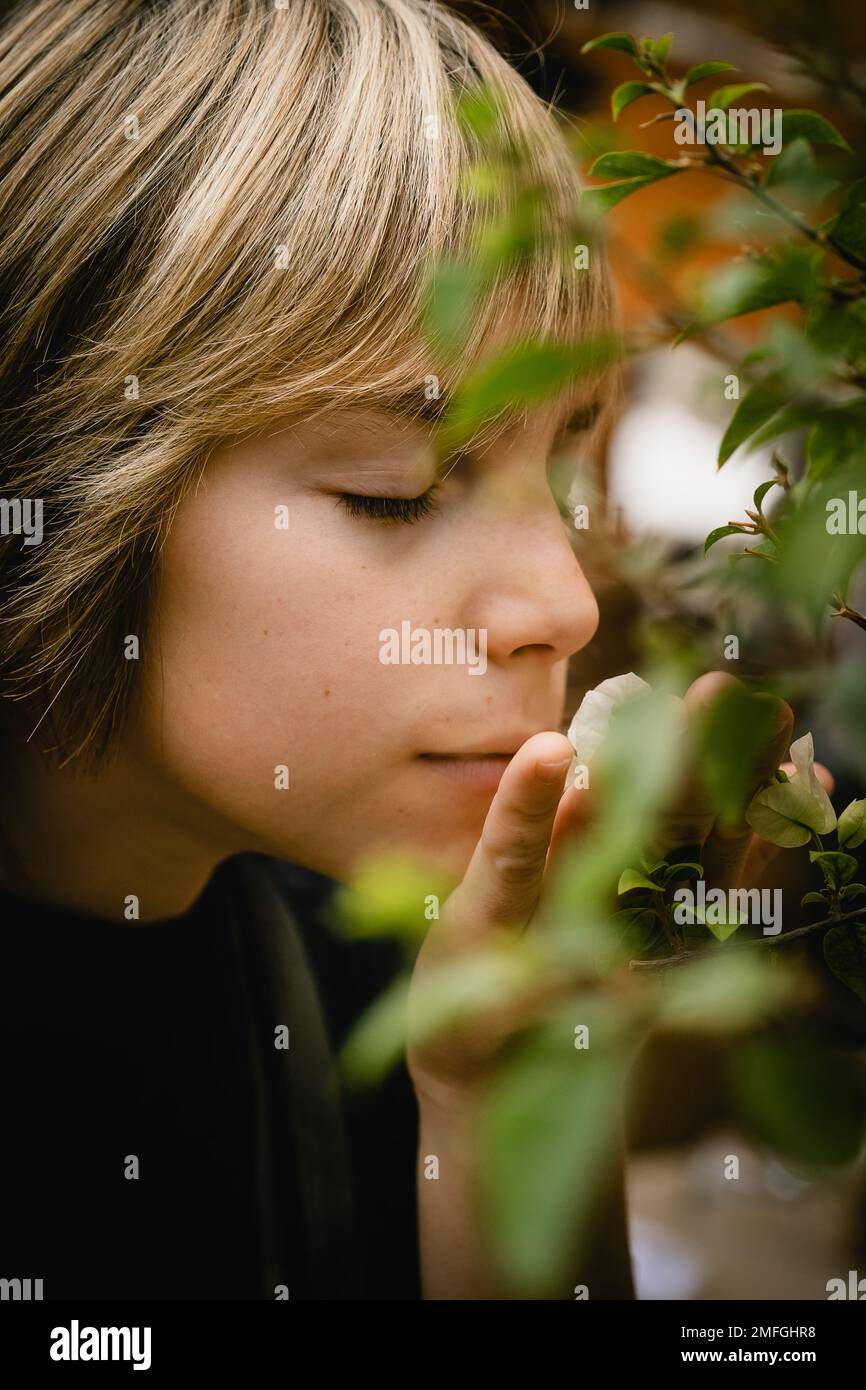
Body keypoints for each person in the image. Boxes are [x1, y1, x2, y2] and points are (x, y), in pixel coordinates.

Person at [0, 0, 792, 1300]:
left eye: (565, 458)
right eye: (397, 490)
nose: (566, 606)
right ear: (66, 472)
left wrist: (502, 1104)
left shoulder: (388, 957)